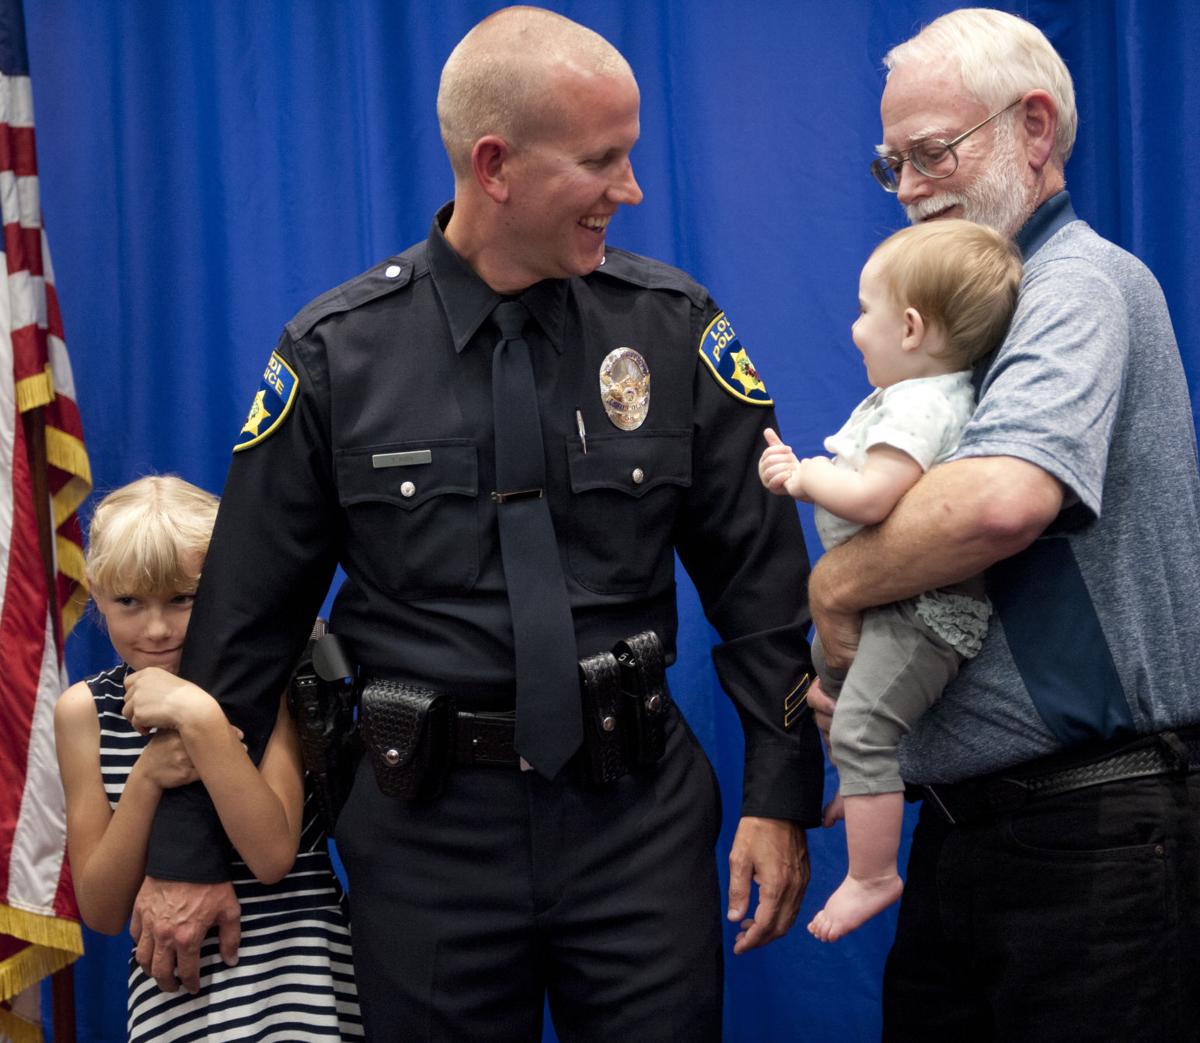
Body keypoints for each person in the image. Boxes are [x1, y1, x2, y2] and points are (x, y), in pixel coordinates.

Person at [130, 7, 824, 1040]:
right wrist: (187, 846)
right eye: (603, 161)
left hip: (637, 815)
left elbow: (763, 587)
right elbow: (243, 623)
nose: (630, 191)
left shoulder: (671, 329)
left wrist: (780, 790)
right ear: (494, 165)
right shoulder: (336, 353)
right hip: (426, 834)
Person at [804, 7, 1200, 1040]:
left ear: (1035, 129)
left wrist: (837, 588)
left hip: (1083, 833)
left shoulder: (1073, 286)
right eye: (890, 161)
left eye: (932, 151)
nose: (906, 188)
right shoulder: (977, 321)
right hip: (972, 825)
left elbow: (996, 500)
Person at [759, 219, 1021, 943]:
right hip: (895, 605)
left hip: (923, 613)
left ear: (909, 326)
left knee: (865, 722)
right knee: (831, 683)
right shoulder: (914, 395)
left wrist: (803, 475)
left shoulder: (921, 404)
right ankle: (863, 774)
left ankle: (874, 872)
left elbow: (874, 497)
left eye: (863, 311)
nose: (853, 329)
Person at [53, 476, 362, 1041]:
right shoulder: (84, 713)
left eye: (183, 599)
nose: (156, 628)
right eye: (128, 602)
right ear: (95, 594)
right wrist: (147, 777)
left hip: (302, 988)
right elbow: (99, 907)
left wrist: (200, 720)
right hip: (176, 1001)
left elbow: (271, 855)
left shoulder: (276, 683)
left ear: (224, 588)